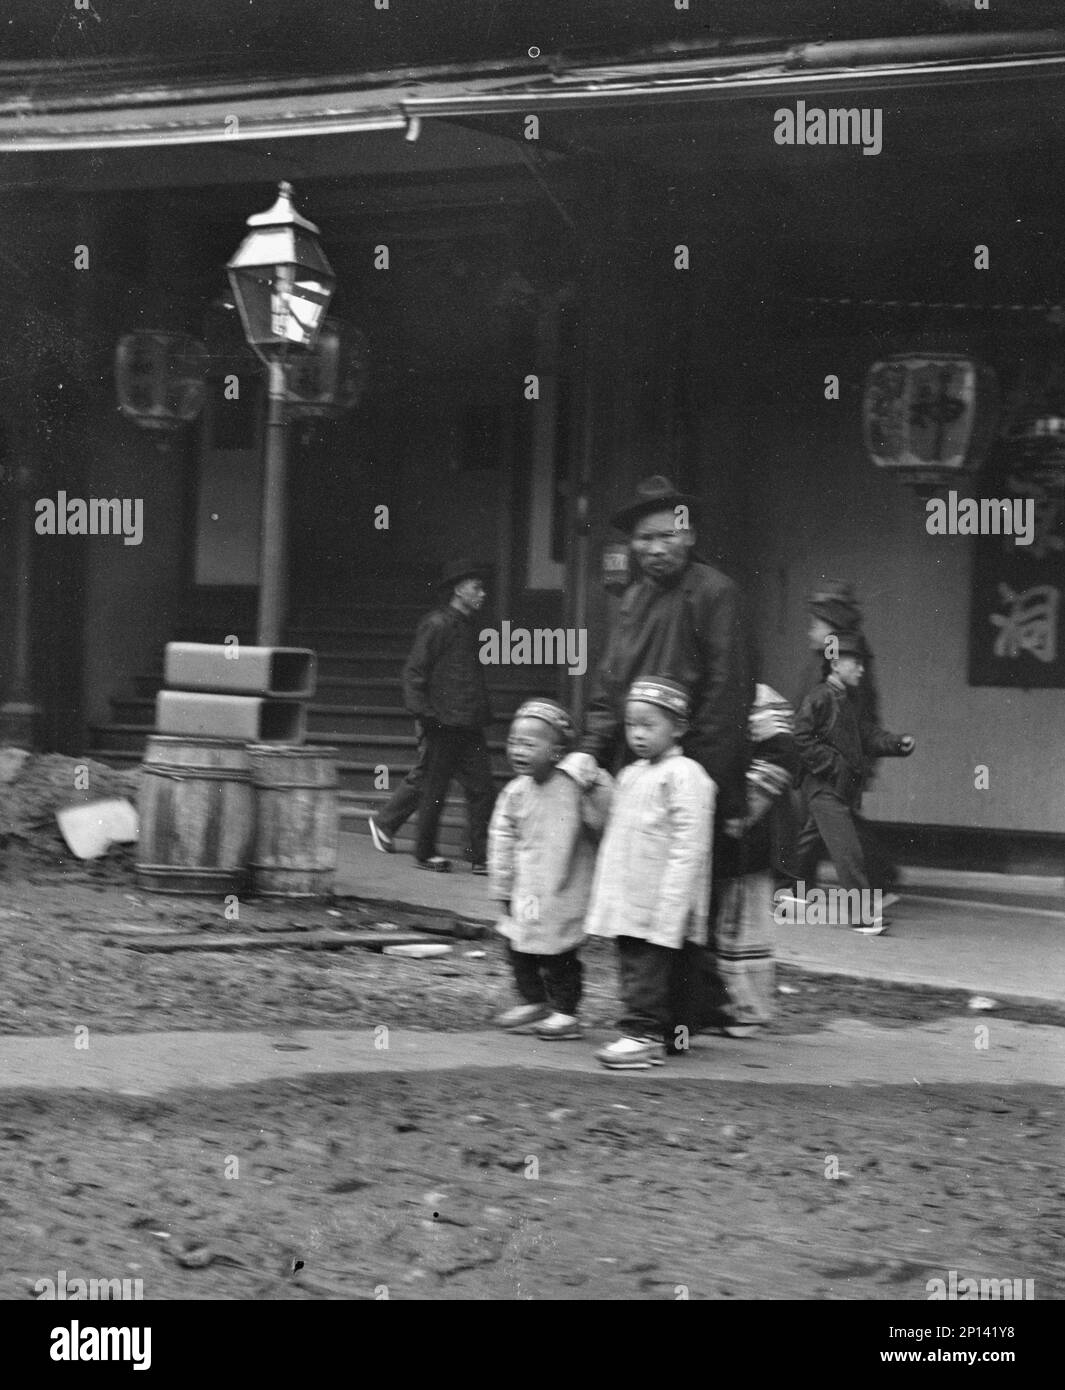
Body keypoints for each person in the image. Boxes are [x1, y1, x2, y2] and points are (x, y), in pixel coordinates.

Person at [566, 474, 753, 1037]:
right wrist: (591, 752)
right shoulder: (631, 600)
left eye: (665, 535)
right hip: (638, 772)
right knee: (645, 892)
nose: (654, 548)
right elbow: (610, 688)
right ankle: (693, 1011)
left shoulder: (717, 593)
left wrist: (708, 781)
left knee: (684, 895)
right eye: (643, 540)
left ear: (688, 535)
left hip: (695, 775)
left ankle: (667, 1018)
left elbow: (727, 692)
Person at [585, 678, 716, 1070]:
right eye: (631, 725)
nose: (638, 734)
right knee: (641, 964)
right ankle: (666, 1036)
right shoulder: (631, 774)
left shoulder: (685, 774)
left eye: (648, 725)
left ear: (677, 727)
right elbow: (616, 826)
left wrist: (675, 899)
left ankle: (641, 1036)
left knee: (649, 969)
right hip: (631, 893)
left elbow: (690, 842)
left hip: (661, 895)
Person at [488, 699, 614, 1041]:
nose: (518, 750)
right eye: (514, 742)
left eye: (529, 744)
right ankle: (534, 1001)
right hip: (526, 889)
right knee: (518, 947)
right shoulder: (514, 793)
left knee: (560, 955)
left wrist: (593, 776)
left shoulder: (574, 787)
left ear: (557, 751)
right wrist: (502, 886)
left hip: (565, 888)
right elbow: (501, 841)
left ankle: (566, 1012)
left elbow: (604, 815)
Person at [792, 631, 915, 933]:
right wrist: (832, 765)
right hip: (825, 787)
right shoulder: (820, 696)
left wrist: (897, 744)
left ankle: (793, 897)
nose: (861, 669)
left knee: (809, 840)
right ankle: (862, 917)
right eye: (855, 662)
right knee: (849, 852)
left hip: (836, 787)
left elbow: (868, 735)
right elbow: (801, 737)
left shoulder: (847, 701)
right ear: (835, 664)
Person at [714, 682, 800, 1036]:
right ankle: (722, 1003)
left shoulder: (758, 695)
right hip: (716, 823)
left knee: (744, 920)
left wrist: (742, 808)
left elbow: (779, 752)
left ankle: (748, 1009)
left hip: (750, 827)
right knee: (722, 922)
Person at [401, 559, 496, 872]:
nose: (482, 594)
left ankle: (478, 855)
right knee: (435, 790)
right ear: (459, 590)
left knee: (482, 789)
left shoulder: (468, 626)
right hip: (442, 722)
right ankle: (425, 853)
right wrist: (426, 716)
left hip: (468, 722)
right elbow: (415, 672)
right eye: (476, 588)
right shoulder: (438, 623)